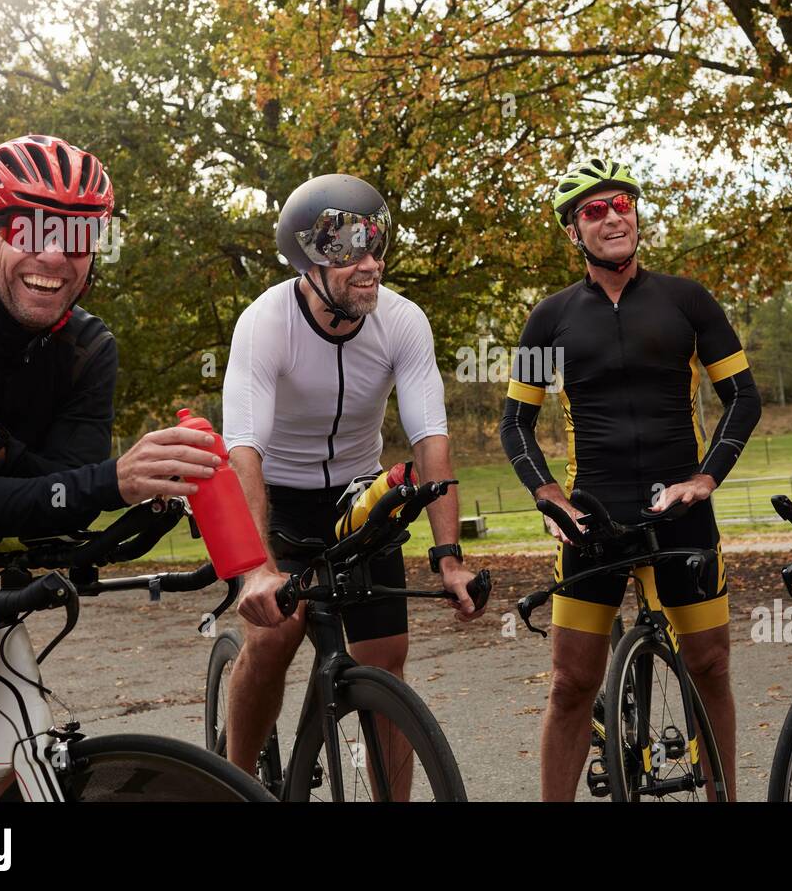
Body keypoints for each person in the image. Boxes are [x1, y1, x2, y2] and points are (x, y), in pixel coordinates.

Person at [0, 134, 221, 789]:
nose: (54, 255)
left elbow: (63, 500)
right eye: (30, 229)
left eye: (77, 235)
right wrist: (104, 479)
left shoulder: (88, 347)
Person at [499, 157, 761, 800]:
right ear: (573, 231)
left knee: (710, 666)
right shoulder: (550, 317)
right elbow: (514, 422)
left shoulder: (687, 299)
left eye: (622, 203)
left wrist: (705, 479)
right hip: (592, 517)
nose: (613, 216)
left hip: (680, 513)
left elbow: (743, 397)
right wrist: (552, 500)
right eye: (594, 210)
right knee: (570, 685)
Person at [220, 174, 484, 794]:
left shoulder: (403, 321)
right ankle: (233, 779)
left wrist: (449, 560)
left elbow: (430, 442)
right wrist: (257, 570)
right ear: (306, 261)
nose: (370, 264)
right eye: (350, 251)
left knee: (385, 659)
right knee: (274, 633)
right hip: (276, 500)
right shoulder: (265, 324)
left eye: (377, 245)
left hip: (356, 499)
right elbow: (244, 453)